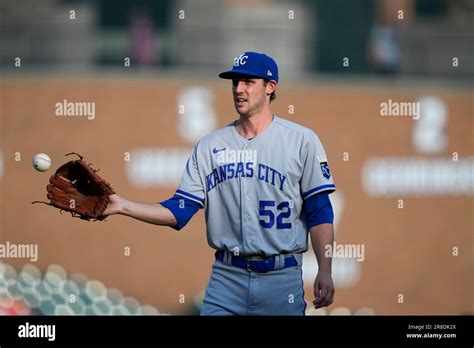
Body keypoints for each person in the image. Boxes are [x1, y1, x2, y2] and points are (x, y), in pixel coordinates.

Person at [104, 51, 336, 315]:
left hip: (281, 281)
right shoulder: (209, 146)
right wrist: (122, 205)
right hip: (226, 280)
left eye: (248, 81)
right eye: (235, 82)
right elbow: (178, 211)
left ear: (270, 87)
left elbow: (320, 211)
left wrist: (325, 270)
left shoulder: (301, 141)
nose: (239, 89)